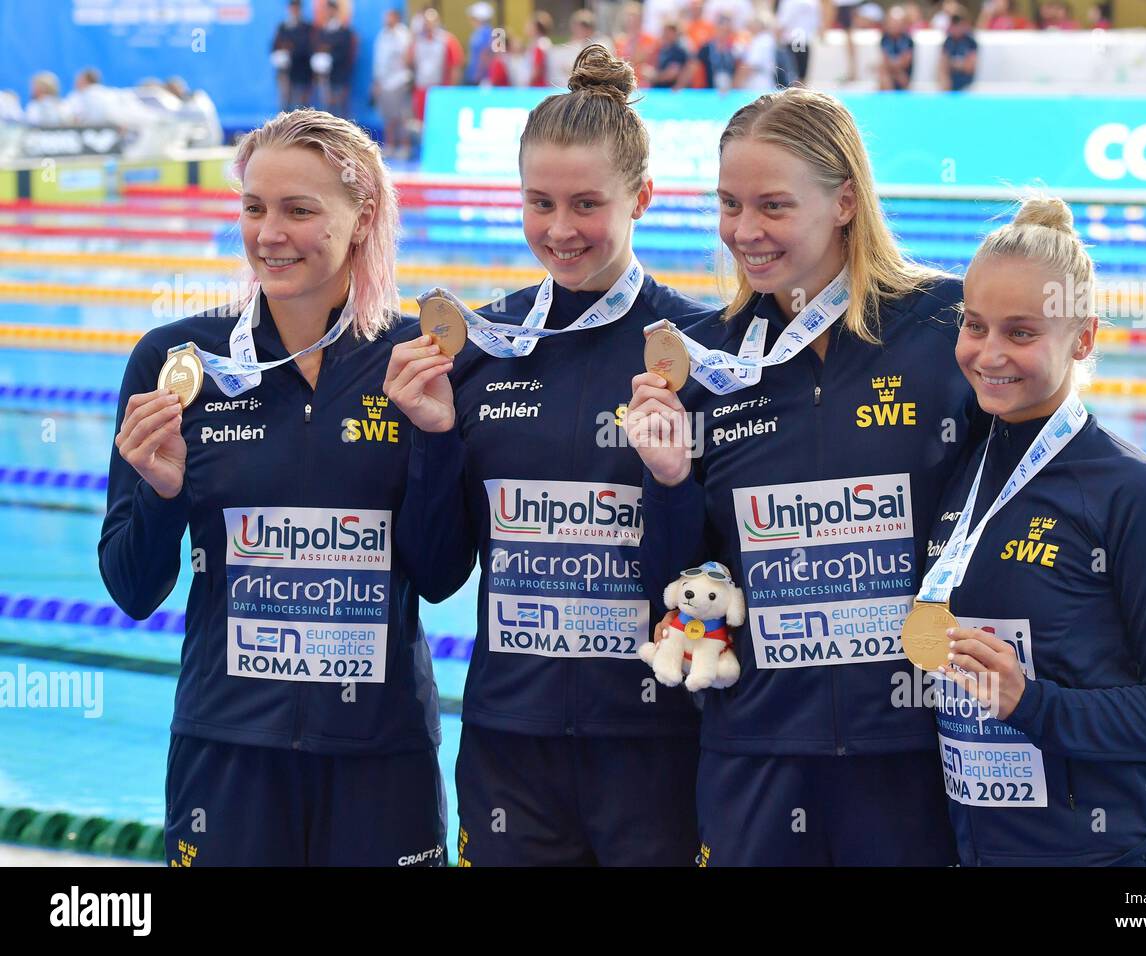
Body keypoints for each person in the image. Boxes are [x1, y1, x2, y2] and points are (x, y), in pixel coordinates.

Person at [625, 88, 973, 866]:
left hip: (912, 752)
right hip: (758, 755)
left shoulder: (944, 327)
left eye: (773, 205)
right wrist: (670, 479)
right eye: (729, 204)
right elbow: (671, 581)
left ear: (845, 198)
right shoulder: (705, 361)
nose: (744, 231)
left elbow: (1032, 475)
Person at [100, 110, 456, 866]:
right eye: (254, 207)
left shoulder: (413, 360)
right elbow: (132, 589)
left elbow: (441, 572)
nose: (268, 233)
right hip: (228, 750)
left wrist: (433, 440)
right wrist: (161, 495)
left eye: (299, 210)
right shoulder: (174, 362)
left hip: (379, 753)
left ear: (361, 220)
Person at [385, 47, 708, 867]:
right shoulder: (481, 349)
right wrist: (430, 439)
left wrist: (670, 483)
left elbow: (708, 587)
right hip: (510, 746)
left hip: (656, 747)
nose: (561, 230)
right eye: (540, 203)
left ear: (642, 198)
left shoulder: (698, 352)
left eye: (587, 204)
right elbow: (436, 572)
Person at [926, 196, 1146, 865]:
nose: (990, 353)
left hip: (1125, 853)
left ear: (1084, 338)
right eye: (974, 326)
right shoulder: (959, 474)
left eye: (1022, 333)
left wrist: (1033, 703)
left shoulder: (1135, 493)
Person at [408, 8, 464, 143]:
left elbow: (455, 65)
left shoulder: (447, 40)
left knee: (440, 123)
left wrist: (450, 89)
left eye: (431, 22)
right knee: (422, 125)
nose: (428, 25)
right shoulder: (417, 41)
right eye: (425, 22)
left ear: (437, 22)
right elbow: (408, 62)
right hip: (422, 89)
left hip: (439, 89)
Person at [372, 8, 412, 158]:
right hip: (384, 83)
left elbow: (406, 58)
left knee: (402, 117)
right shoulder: (382, 36)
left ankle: (405, 146)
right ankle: (390, 145)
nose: (387, 20)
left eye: (390, 17)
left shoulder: (403, 35)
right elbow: (378, 61)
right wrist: (377, 82)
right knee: (388, 117)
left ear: (397, 18)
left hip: (399, 82)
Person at [272, 0, 314, 112]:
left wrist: (290, 53)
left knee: (300, 105)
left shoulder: (307, 27)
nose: (294, 10)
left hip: (301, 72)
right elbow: (274, 45)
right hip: (284, 72)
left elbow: (306, 48)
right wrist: (280, 55)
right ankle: (284, 128)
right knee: (284, 102)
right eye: (292, 7)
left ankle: (301, 129)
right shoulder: (282, 26)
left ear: (300, 9)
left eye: (297, 8)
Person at [615, 2, 661, 88]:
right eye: (629, 18)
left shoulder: (650, 39)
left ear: (641, 20)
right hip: (625, 85)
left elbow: (650, 60)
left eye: (634, 19)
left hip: (645, 86)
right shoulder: (620, 41)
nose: (631, 22)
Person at [774, 0, 820, 86]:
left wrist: (775, 40)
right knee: (801, 75)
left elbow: (782, 22)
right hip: (804, 39)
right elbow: (816, 22)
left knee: (792, 75)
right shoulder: (812, 2)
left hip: (793, 40)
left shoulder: (790, 2)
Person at [939, 10, 978, 91]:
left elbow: (969, 67)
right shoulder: (948, 41)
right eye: (954, 25)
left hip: (966, 81)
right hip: (950, 81)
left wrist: (953, 64)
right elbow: (943, 63)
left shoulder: (970, 42)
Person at [879, 6, 916, 90]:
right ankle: (888, 100)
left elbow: (905, 62)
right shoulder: (884, 38)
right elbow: (885, 59)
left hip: (903, 75)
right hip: (890, 72)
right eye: (892, 22)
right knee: (884, 73)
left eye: (897, 23)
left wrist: (891, 65)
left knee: (895, 74)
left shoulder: (908, 39)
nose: (894, 25)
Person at [653, 19, 691, 88]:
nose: (664, 34)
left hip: (671, 93)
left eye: (667, 32)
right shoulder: (663, 49)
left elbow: (672, 74)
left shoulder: (679, 50)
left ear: (675, 33)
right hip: (661, 90)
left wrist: (654, 77)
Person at [465, 1, 496, 86]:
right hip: (474, 76)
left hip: (483, 78)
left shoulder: (488, 32)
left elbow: (487, 55)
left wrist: (478, 74)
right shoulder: (476, 32)